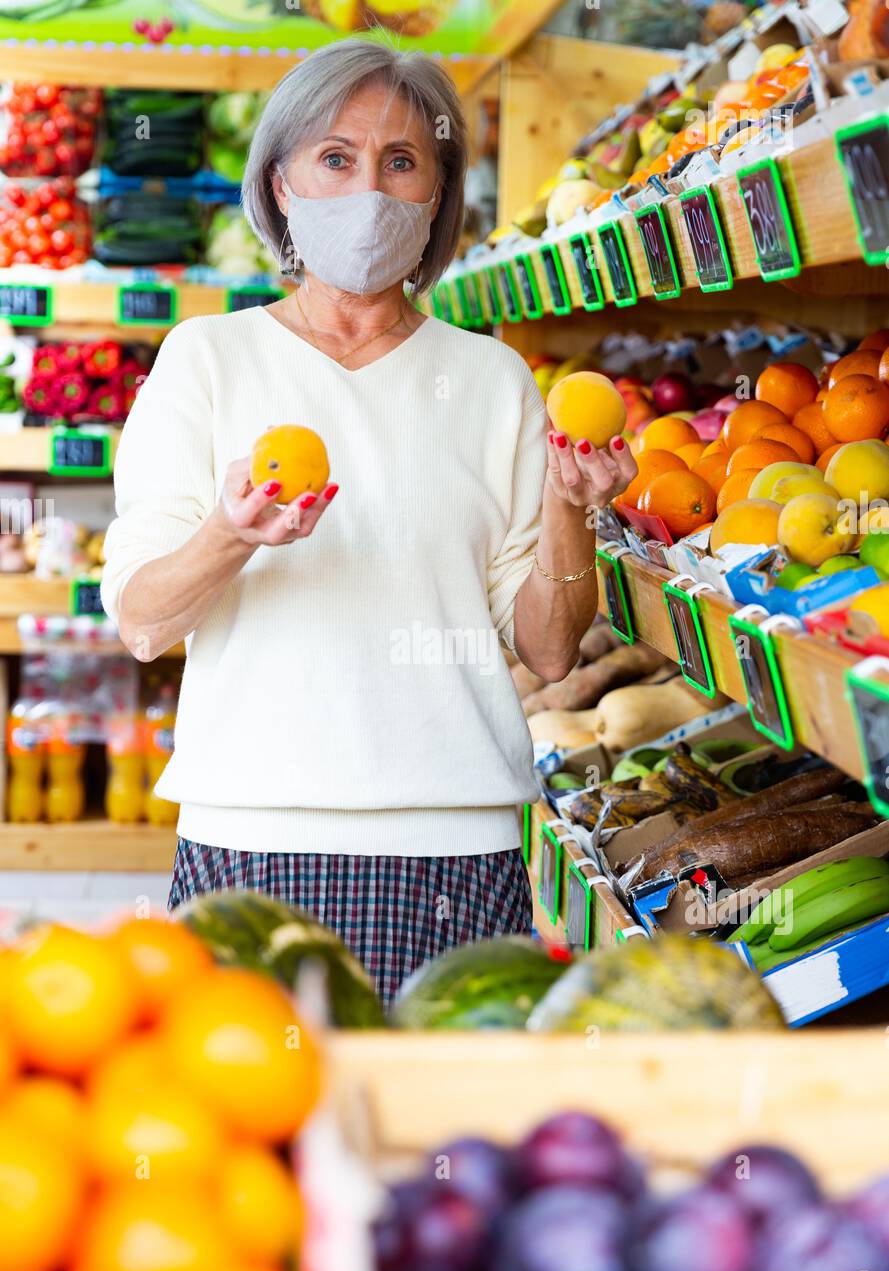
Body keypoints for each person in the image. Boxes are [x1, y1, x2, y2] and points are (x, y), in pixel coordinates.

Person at [101, 39, 637, 1005]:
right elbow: (143, 621)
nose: (369, 188)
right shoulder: (208, 359)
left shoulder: (491, 381)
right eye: (335, 158)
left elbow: (552, 653)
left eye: (402, 162)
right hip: (251, 839)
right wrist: (233, 532)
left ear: (437, 198)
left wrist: (569, 507)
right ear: (279, 186)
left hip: (454, 848)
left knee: (435, 1135)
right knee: (248, 1139)